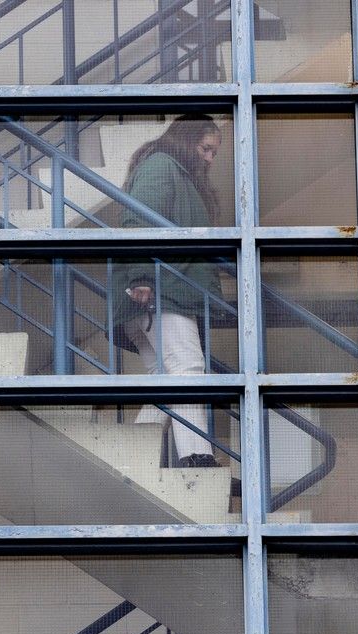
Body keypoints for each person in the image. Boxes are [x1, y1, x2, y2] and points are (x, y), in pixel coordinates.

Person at [111, 114, 224, 469]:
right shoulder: (162, 166)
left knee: (165, 381)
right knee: (188, 368)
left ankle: (129, 462)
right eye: (206, 149)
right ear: (186, 140)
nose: (210, 158)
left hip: (157, 293)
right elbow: (138, 220)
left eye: (214, 152)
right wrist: (141, 277)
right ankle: (197, 459)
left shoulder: (171, 170)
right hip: (160, 294)